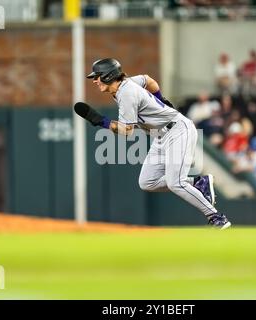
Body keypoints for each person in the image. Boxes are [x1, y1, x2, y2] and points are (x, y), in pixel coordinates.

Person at [85, 58, 231, 229]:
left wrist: (101, 121)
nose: (95, 80)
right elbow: (148, 79)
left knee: (176, 182)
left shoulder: (126, 93)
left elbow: (127, 131)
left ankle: (216, 217)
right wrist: (160, 99)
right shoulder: (126, 84)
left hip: (178, 130)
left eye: (98, 76)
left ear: (109, 76)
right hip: (161, 135)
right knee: (147, 182)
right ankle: (199, 183)